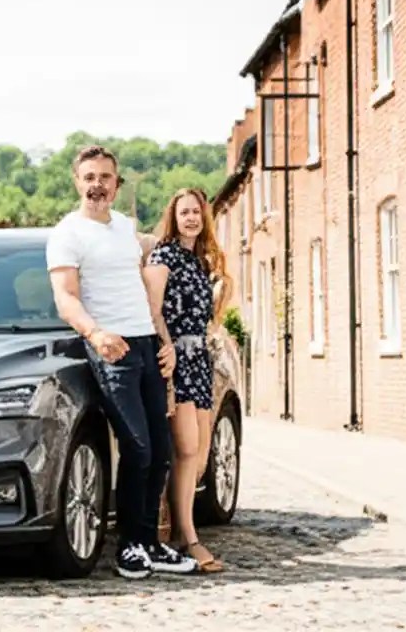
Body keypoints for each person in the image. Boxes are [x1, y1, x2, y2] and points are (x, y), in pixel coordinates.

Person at [46, 145, 198, 580]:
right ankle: (129, 545)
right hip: (112, 349)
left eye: (105, 177)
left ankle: (149, 542)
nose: (97, 185)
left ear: (116, 184)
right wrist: (95, 334)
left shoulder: (124, 228)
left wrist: (164, 342)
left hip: (147, 345)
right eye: (89, 177)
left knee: (161, 450)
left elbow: (144, 291)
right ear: (77, 182)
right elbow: (66, 298)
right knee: (137, 447)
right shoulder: (67, 233)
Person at [141, 188, 229, 574]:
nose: (190, 218)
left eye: (196, 212)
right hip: (174, 360)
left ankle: (180, 529)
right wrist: (167, 346)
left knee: (200, 453)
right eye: (184, 213)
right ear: (173, 218)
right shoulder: (164, 256)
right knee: (186, 447)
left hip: (199, 360)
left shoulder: (199, 261)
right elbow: (151, 309)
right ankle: (188, 537)